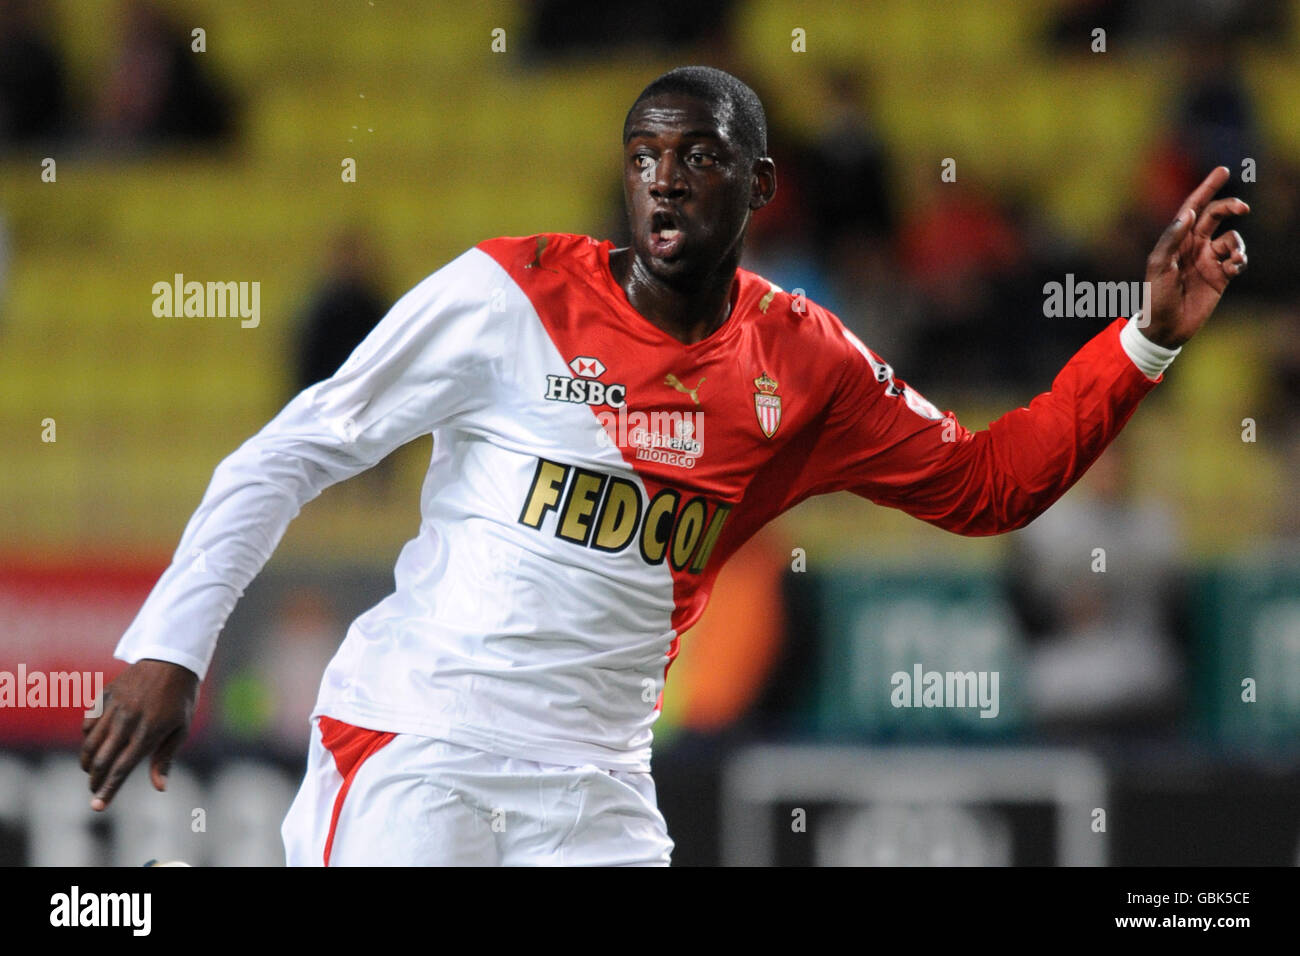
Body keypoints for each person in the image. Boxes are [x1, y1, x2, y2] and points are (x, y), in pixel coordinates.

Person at [80, 66, 1249, 866]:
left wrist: (1142, 338)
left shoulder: (807, 361)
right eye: (644, 155)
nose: (667, 176)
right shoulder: (510, 294)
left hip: (593, 784)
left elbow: (993, 484)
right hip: (419, 739)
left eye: (699, 154)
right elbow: (292, 449)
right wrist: (168, 643)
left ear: (761, 185)